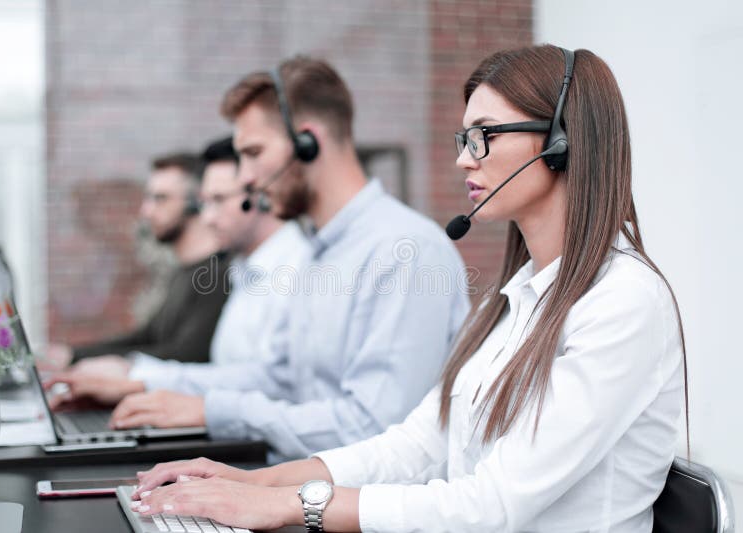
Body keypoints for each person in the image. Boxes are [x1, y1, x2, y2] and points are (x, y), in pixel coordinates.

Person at [125, 45, 687, 532]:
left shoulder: (623, 302)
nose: (462, 158)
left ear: (561, 143)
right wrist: (255, 484)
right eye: (463, 137)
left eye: (483, 136)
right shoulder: (516, 299)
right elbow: (419, 444)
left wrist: (291, 506)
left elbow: (493, 503)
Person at [49, 56, 471, 462]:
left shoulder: (406, 251)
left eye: (253, 153)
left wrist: (214, 412)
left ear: (308, 143)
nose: (246, 177)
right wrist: (142, 382)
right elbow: (276, 378)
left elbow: (372, 428)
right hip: (301, 483)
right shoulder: (317, 252)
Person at [43, 153, 231, 372]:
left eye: (160, 198)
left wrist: (119, 366)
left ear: (198, 203)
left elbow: (186, 354)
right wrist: (72, 355)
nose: (146, 211)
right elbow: (148, 336)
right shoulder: (183, 272)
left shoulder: (217, 275)